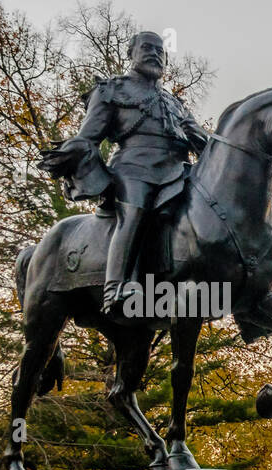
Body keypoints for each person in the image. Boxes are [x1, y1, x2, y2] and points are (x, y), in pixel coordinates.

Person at [38, 30, 209, 314]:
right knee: (135, 210)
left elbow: (203, 144)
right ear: (130, 54)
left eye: (161, 50)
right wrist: (73, 153)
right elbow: (90, 135)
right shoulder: (111, 89)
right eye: (147, 48)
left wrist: (201, 137)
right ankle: (115, 287)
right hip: (134, 168)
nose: (156, 53)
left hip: (179, 170)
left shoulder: (174, 103)